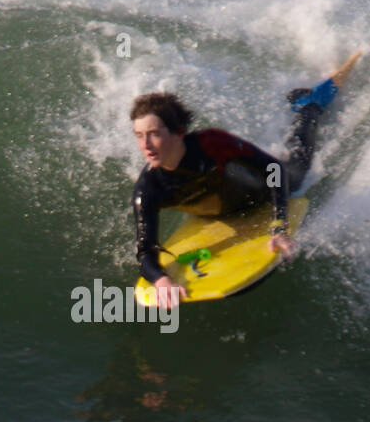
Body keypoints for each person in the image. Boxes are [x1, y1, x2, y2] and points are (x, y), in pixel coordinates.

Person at [131, 80, 334, 308]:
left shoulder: (211, 144)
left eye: (154, 134)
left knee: (295, 172)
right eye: (139, 135)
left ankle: (308, 107)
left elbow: (273, 169)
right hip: (218, 212)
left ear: (178, 132)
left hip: (261, 196)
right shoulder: (148, 189)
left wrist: (279, 226)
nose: (145, 144)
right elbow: (145, 250)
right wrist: (160, 280)